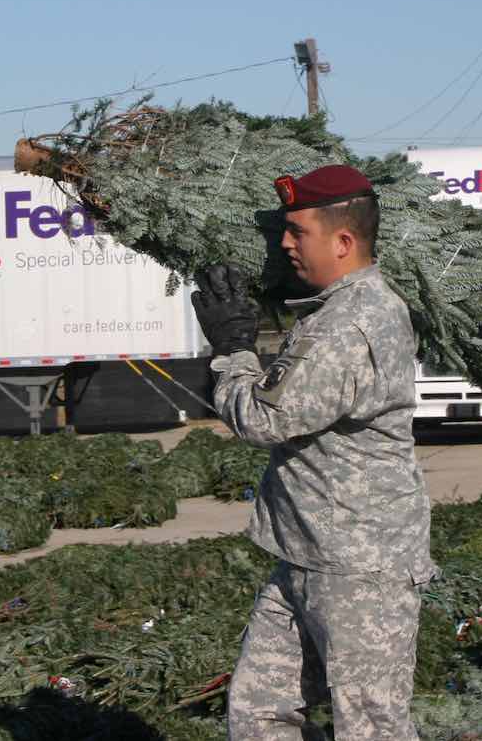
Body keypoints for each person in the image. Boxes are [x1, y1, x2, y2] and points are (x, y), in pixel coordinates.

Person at [190, 164, 438, 740]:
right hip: (306, 555)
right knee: (258, 714)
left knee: (369, 729)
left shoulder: (352, 325)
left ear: (344, 241)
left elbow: (263, 418)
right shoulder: (332, 313)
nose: (284, 242)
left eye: (297, 231)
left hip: (361, 568)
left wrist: (232, 348)